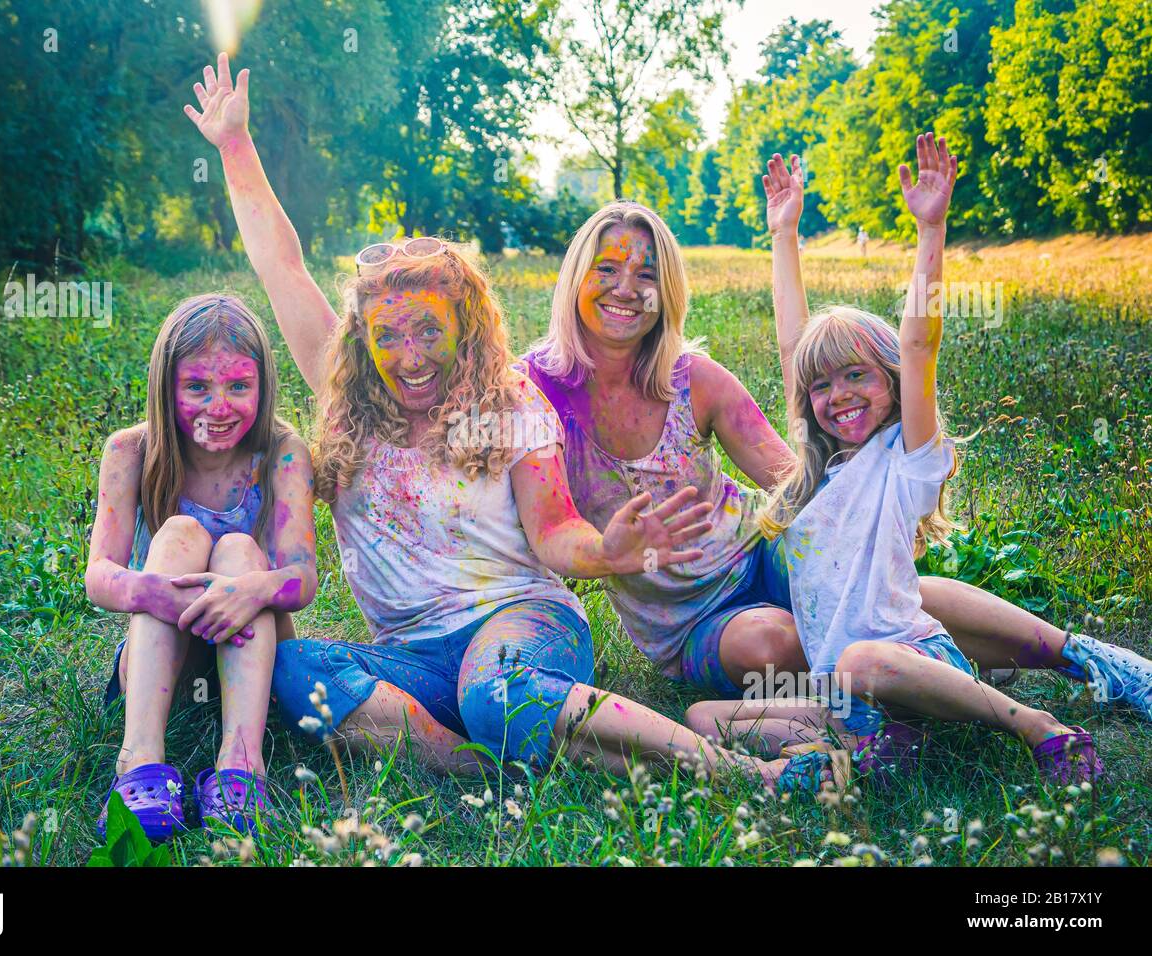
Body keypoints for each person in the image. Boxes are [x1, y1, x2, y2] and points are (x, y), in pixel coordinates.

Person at [183, 53, 836, 793]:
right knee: (293, 670)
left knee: (495, 691)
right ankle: (474, 766)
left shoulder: (511, 400)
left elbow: (556, 532)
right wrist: (236, 147)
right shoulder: (347, 405)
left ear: (464, 324)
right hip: (413, 656)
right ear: (362, 339)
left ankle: (739, 771)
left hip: (523, 622)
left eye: (429, 331)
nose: (410, 356)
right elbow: (284, 268)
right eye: (389, 336)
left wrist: (613, 550)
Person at [519, 191, 1151, 726]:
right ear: (576, 275)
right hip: (688, 619)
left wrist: (866, 514)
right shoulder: (532, 391)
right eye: (606, 269)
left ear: (668, 291)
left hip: (762, 551)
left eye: (647, 273)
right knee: (772, 639)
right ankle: (888, 696)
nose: (626, 288)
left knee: (883, 593)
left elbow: (794, 473)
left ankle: (1085, 658)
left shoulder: (693, 378)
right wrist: (607, 553)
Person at [685, 141, 1102, 784]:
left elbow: (918, 342)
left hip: (908, 660)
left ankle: (1033, 724)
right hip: (843, 688)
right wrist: (784, 233)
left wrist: (930, 229)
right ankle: (886, 741)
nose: (838, 396)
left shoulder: (904, 458)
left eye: (858, 376)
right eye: (823, 386)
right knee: (704, 717)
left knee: (859, 662)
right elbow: (793, 345)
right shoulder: (813, 472)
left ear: (890, 381)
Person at [84, 293, 318, 838]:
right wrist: (157, 592)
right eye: (197, 387)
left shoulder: (283, 453)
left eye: (239, 386)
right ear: (167, 387)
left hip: (255, 660)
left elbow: (302, 577)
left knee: (239, 552)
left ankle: (242, 767)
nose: (219, 407)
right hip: (164, 660)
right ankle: (137, 761)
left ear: (263, 386)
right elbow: (99, 574)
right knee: (181, 533)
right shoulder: (130, 451)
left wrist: (249, 590)